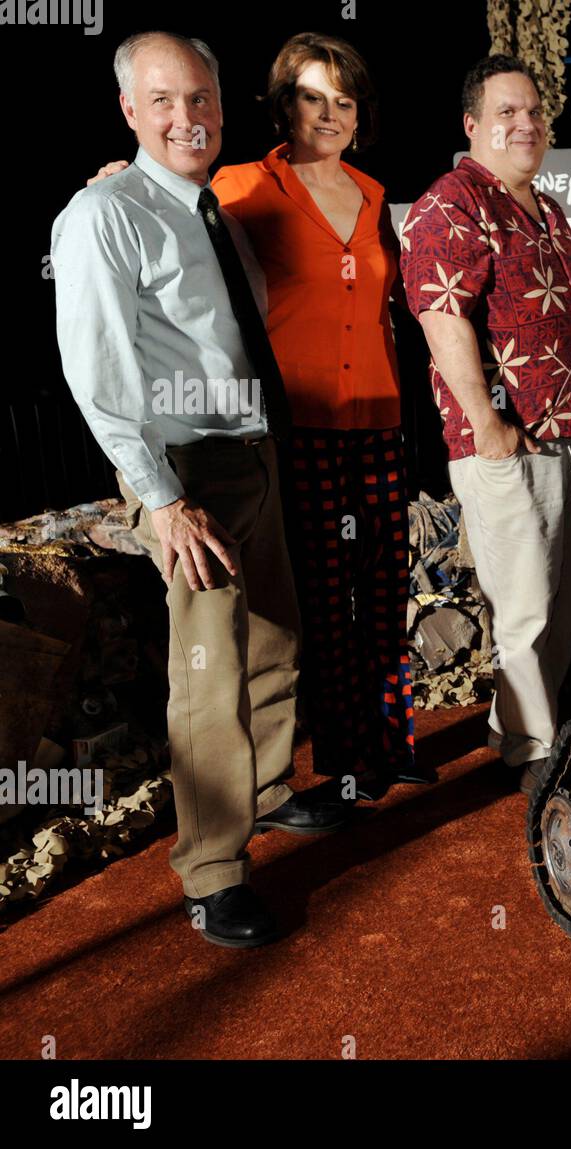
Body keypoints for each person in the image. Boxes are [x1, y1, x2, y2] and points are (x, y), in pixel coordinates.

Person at [51, 31, 345, 950]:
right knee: (208, 667)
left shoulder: (205, 205)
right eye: (166, 100)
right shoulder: (106, 213)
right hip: (182, 471)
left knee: (271, 635)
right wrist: (162, 498)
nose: (189, 116)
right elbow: (95, 371)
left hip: (250, 450)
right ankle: (212, 872)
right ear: (131, 111)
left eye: (203, 99)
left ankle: (263, 792)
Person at [87, 34, 420, 800]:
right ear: (282, 104)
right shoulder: (238, 184)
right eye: (312, 97)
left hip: (375, 416)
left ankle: (390, 744)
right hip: (290, 426)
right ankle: (340, 761)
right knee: (317, 601)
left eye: (344, 100)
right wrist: (112, 181)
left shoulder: (373, 195)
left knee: (384, 589)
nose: (329, 113)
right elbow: (167, 207)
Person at [400, 55, 571, 796]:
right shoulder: (453, 202)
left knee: (563, 601)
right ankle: (532, 755)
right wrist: (486, 422)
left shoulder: (545, 209)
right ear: (472, 126)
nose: (525, 124)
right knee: (526, 606)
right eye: (507, 113)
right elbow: (440, 313)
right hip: (510, 439)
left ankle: (518, 725)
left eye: (534, 112)